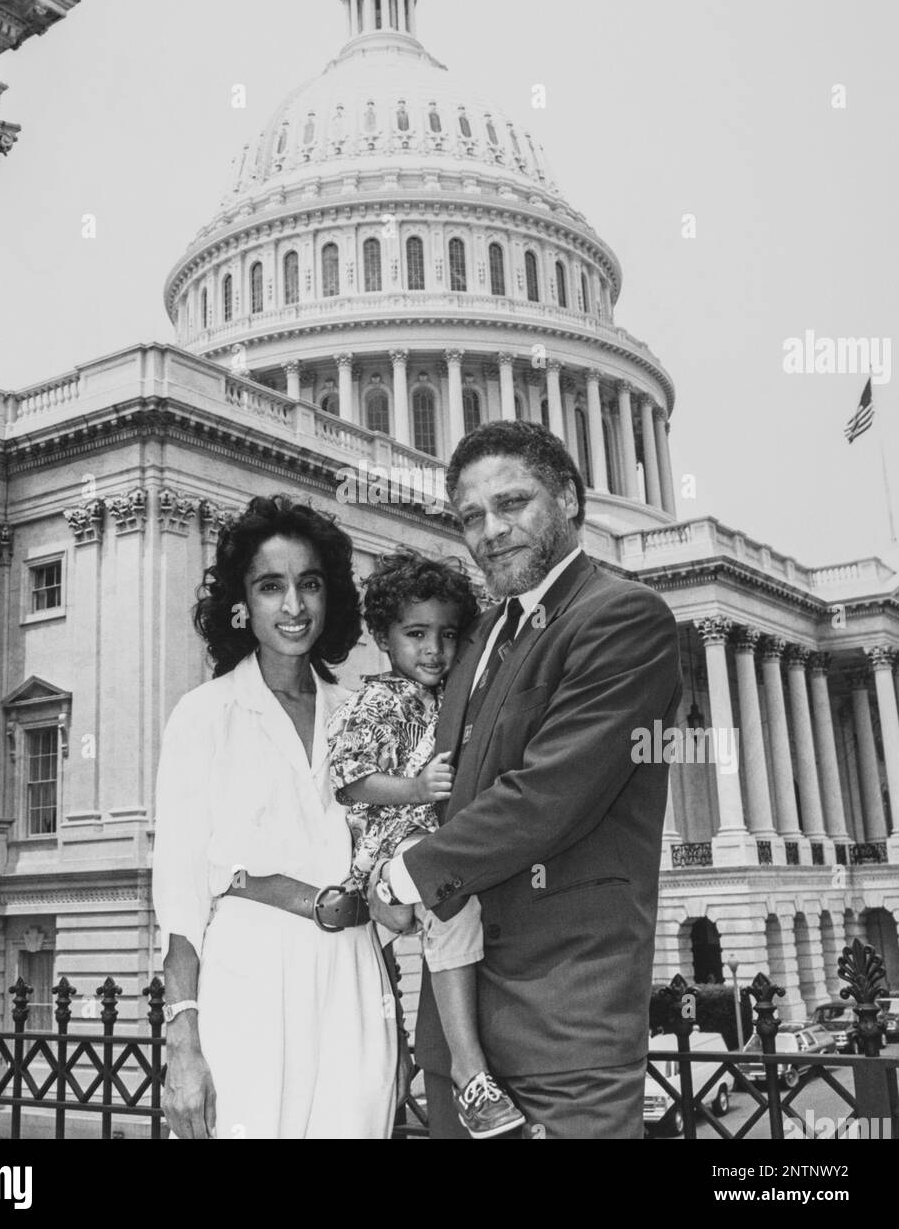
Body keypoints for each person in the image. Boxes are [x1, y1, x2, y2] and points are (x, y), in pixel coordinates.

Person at [368, 421, 683, 1139]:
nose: (491, 531)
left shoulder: (620, 616)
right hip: (458, 1031)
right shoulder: (476, 635)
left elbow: (552, 796)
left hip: (564, 1017)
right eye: (472, 516)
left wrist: (401, 878)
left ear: (569, 498)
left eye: (513, 504)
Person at [152, 494, 397, 1139]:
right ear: (242, 602)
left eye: (309, 584)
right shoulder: (203, 714)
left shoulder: (362, 714)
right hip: (247, 977)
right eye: (271, 586)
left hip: (351, 969)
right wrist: (182, 1044)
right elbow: (179, 894)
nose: (293, 606)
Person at [327, 552, 525, 1138]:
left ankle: (455, 1068)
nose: (433, 649)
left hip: (437, 850)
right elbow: (350, 778)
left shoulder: (454, 698)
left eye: (445, 635)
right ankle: (469, 1075)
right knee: (451, 904)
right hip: (392, 846)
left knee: (455, 914)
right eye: (416, 634)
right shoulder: (378, 699)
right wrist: (415, 786)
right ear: (384, 637)